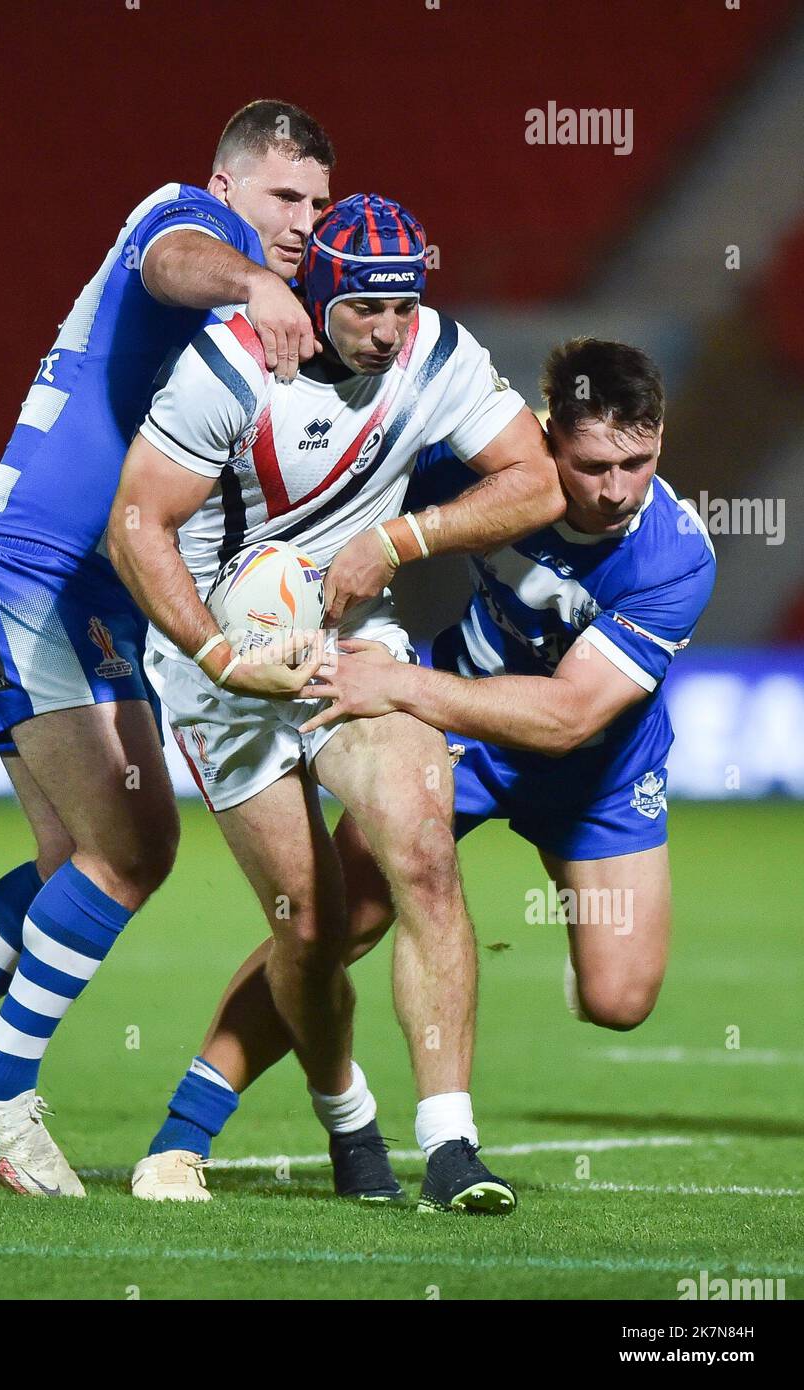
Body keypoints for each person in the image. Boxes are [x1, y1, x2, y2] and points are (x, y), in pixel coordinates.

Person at [0, 100, 334, 1197]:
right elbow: (174, 260)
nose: (299, 221)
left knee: (84, 862)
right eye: (283, 195)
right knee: (134, 846)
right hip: (29, 576)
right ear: (229, 180)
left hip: (71, 594)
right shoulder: (189, 224)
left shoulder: (243, 338)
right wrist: (248, 275)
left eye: (315, 205)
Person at [110, 194, 564, 1213]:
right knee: (307, 931)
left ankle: (450, 1145)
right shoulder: (228, 365)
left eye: (403, 307)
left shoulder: (432, 353)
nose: (388, 329)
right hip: (218, 670)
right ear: (316, 293)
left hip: (350, 648)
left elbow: (533, 484)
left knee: (422, 851)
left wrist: (398, 540)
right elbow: (137, 524)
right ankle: (347, 1118)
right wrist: (225, 655)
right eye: (365, 308)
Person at [298, 338, 716, 1035]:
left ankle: (578, 892)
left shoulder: (676, 558)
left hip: (599, 765)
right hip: (462, 719)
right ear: (548, 436)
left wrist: (394, 683)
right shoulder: (486, 471)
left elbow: (568, 717)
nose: (616, 490)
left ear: (660, 439)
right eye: (592, 466)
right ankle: (192, 1117)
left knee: (618, 1002)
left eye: (636, 463)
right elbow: (358, 500)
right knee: (335, 931)